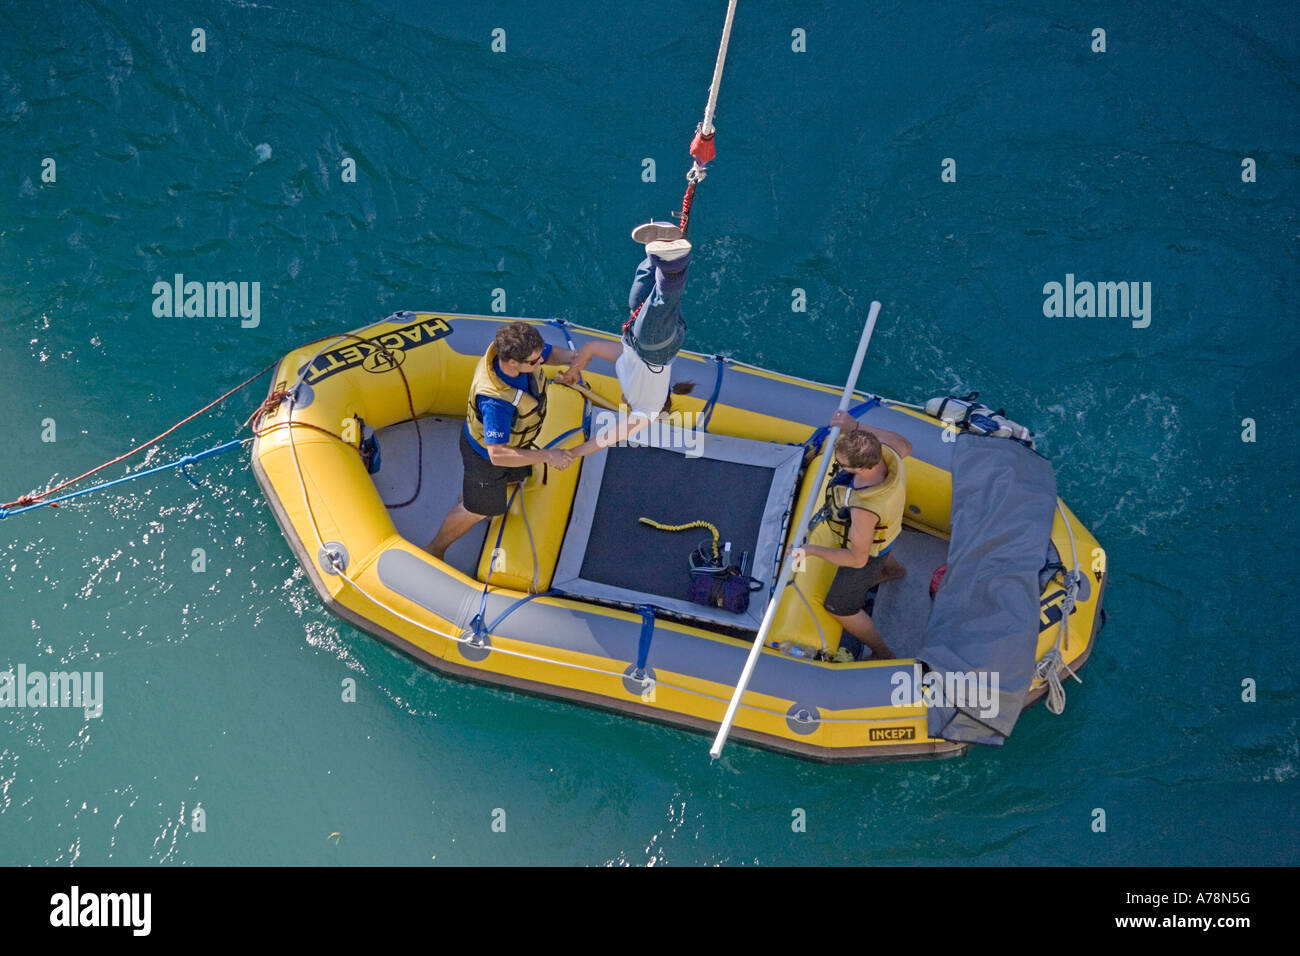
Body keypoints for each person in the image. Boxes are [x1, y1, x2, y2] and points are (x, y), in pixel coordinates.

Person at [426, 322, 577, 560]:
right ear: (513, 363)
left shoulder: (522, 353)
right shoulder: (496, 402)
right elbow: (497, 454)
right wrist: (549, 456)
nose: (541, 363)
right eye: (534, 361)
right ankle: (435, 549)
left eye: (539, 358)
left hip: (517, 444)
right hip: (486, 460)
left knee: (512, 479)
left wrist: (575, 358)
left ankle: (473, 495)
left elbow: (550, 354)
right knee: (475, 511)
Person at [558, 222, 692, 457]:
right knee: (663, 300)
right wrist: (572, 454)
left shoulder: (626, 367)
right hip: (653, 348)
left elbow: (592, 347)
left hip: (640, 340)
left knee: (638, 298)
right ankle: (676, 262)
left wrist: (573, 371)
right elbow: (605, 439)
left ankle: (661, 243)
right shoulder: (646, 412)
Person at [798, 411, 913, 660]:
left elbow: (857, 559)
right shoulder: (890, 453)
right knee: (883, 548)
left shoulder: (864, 508)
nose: (839, 465)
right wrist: (855, 426)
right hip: (890, 529)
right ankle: (894, 571)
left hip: (868, 550)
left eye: (843, 464)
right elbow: (906, 443)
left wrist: (810, 551)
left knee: (839, 607)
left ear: (861, 467)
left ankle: (883, 652)